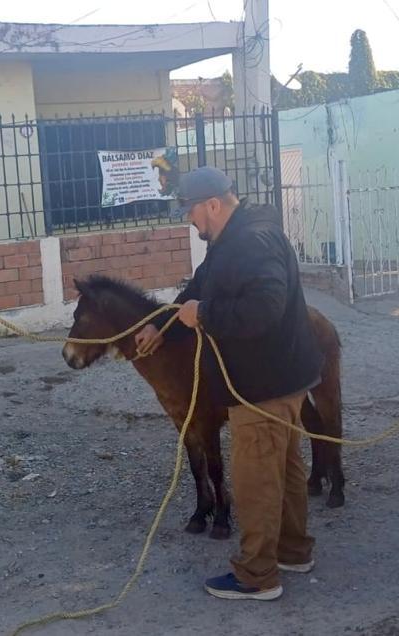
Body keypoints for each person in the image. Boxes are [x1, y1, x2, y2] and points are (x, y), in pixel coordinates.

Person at [136, 166, 324, 601]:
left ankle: (257, 575)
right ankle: (293, 552)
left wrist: (204, 316)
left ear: (214, 205)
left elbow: (265, 309)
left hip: (262, 387)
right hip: (282, 379)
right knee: (286, 469)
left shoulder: (251, 244)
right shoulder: (229, 241)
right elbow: (200, 287)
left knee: (255, 478)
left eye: (190, 209)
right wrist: (164, 325)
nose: (188, 218)